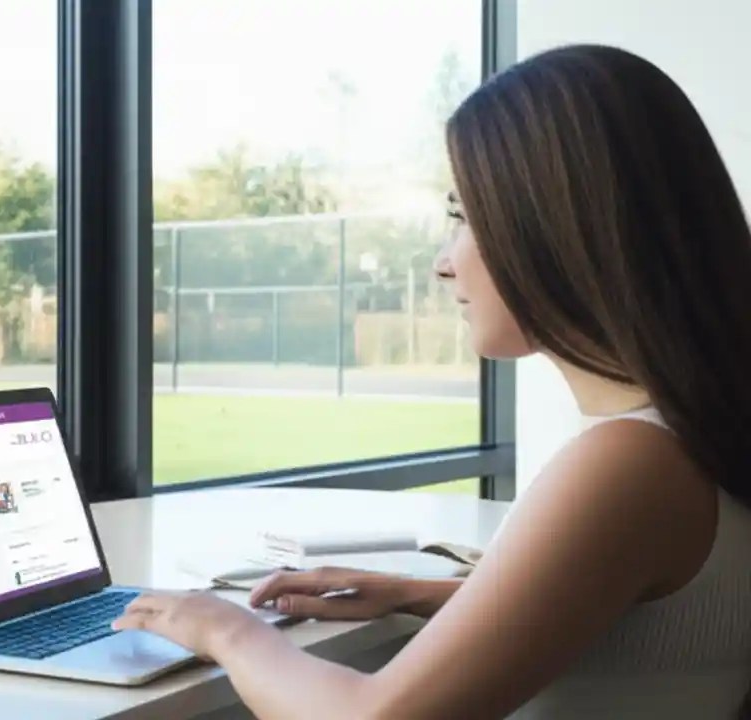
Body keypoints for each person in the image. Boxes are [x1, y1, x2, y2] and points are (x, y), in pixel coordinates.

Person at [113, 44, 751, 719]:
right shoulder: (694, 433)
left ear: (555, 229)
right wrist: (415, 593)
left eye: (464, 216)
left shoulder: (629, 463)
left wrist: (224, 628)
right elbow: (632, 627)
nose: (445, 264)